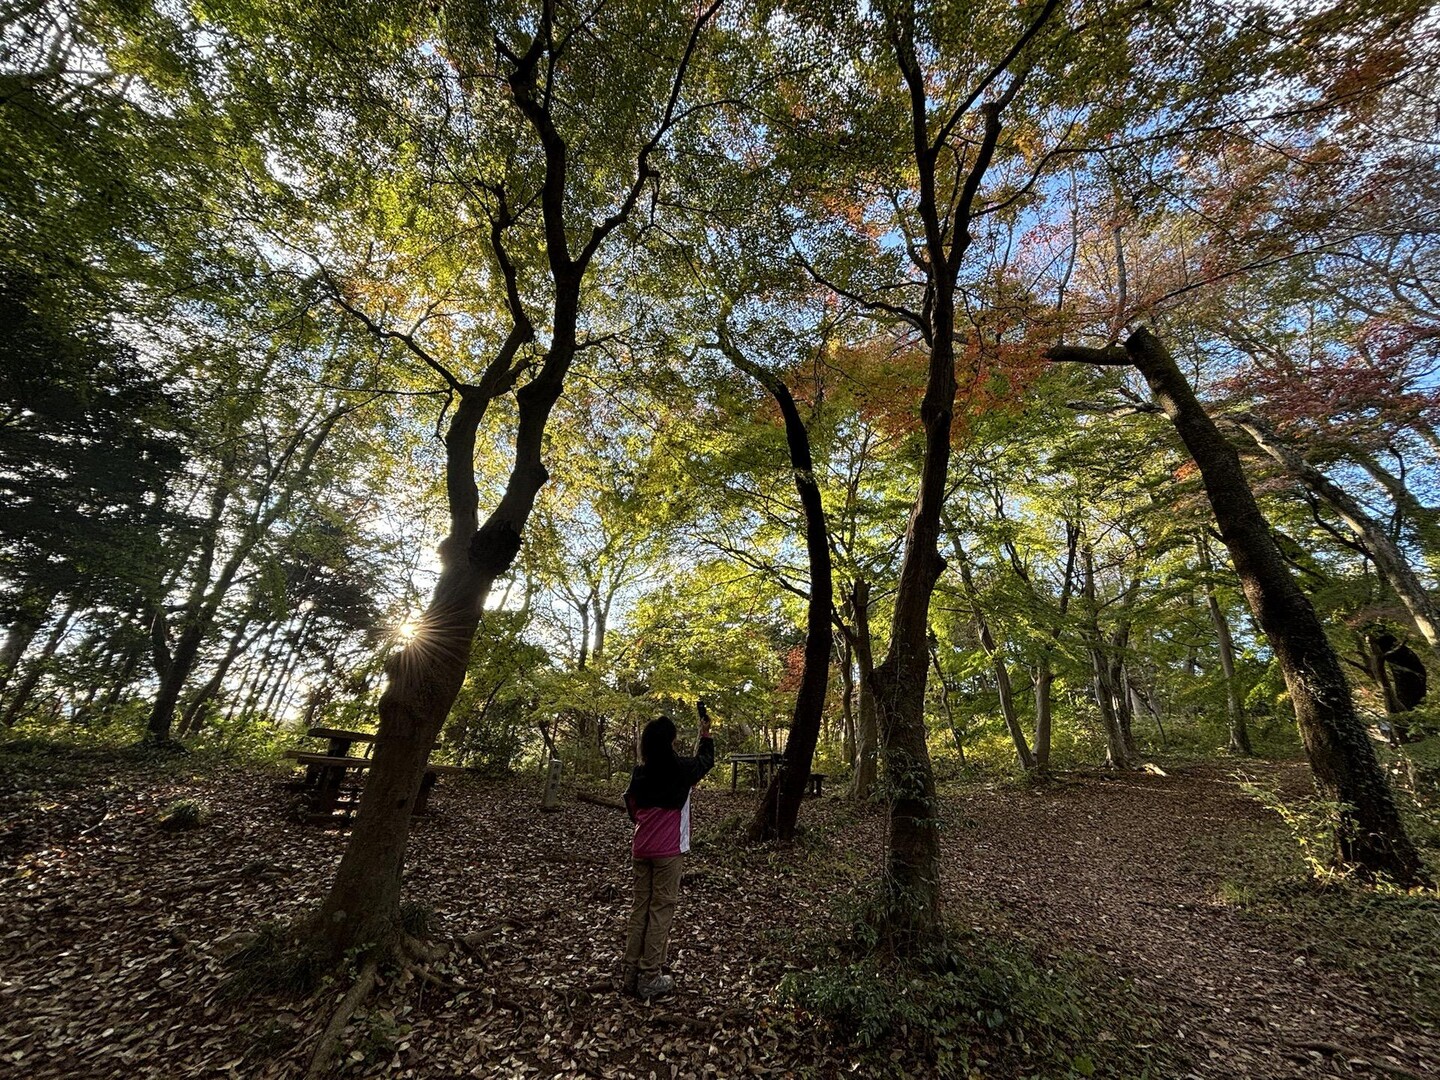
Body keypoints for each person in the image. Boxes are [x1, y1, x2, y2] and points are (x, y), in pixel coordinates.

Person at [621, 700, 715, 1000]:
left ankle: (630, 973)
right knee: (661, 910)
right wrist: (705, 733)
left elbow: (632, 807)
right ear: (669, 742)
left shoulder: (640, 773)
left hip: (641, 848)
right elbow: (705, 761)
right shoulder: (680, 770)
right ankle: (650, 976)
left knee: (640, 909)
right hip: (667, 852)